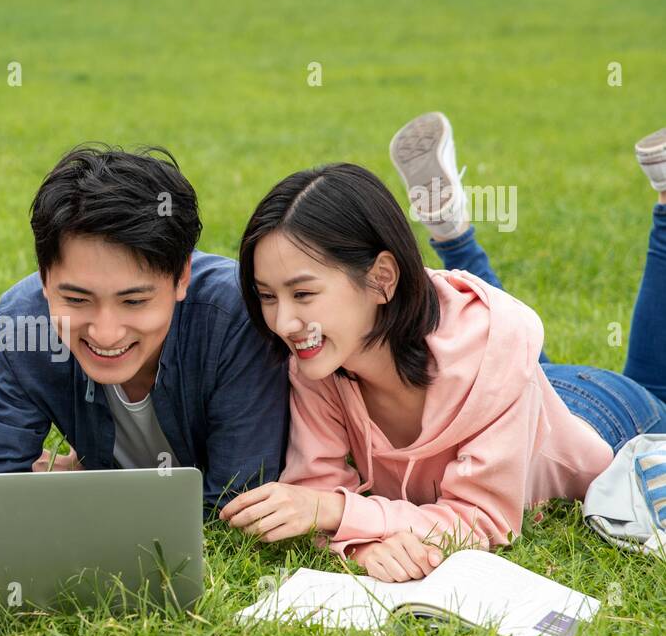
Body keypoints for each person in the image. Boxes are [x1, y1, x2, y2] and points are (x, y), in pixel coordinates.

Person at [222, 113, 666, 582]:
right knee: (505, 347)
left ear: (381, 279)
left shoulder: (488, 352)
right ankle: (452, 232)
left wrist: (336, 512)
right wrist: (360, 548)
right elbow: (314, 494)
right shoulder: (319, 358)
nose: (283, 322)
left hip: (601, 415)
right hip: (520, 386)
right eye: (268, 296)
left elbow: (483, 520)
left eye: (304, 294)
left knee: (652, 382)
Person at [0, 144, 289, 514]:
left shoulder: (235, 315)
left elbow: (237, 500)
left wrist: (87, 495)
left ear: (181, 277)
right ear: (45, 279)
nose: (106, 333)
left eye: (134, 301)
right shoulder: (26, 320)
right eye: (78, 300)